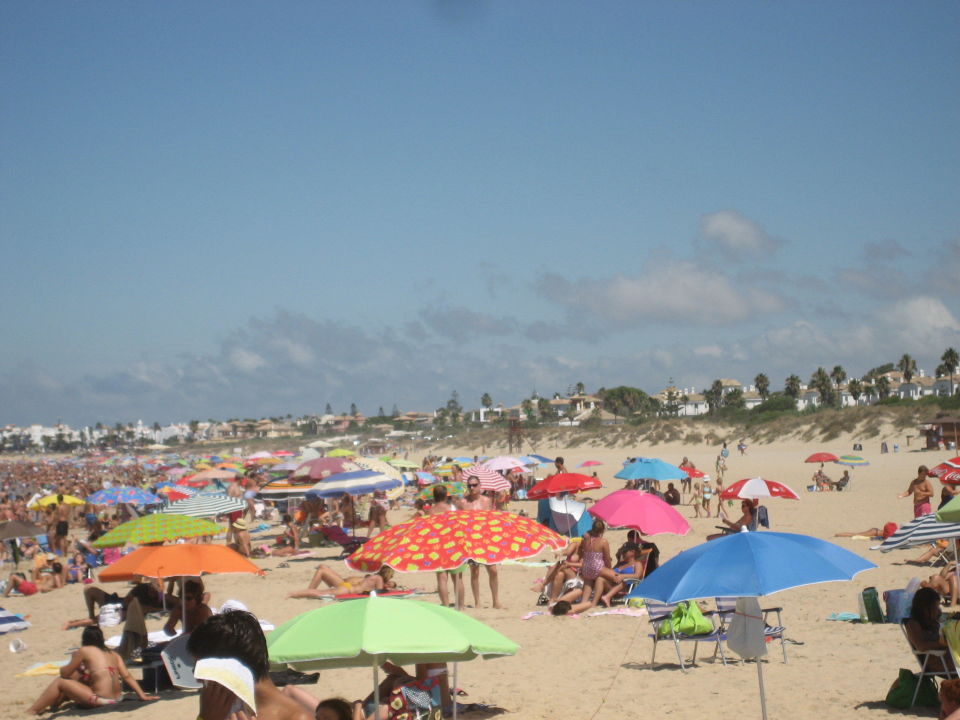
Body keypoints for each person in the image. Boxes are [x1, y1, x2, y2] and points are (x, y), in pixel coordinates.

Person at [188, 611, 313, 720]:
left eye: (203, 671)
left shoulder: (295, 717)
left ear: (228, 669)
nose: (198, 678)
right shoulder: (218, 709)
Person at [28, 626, 158, 713]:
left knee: (61, 681)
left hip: (100, 700)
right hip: (117, 698)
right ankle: (54, 706)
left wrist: (63, 669)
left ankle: (32, 711)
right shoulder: (114, 654)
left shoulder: (84, 651)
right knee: (77, 678)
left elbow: (66, 673)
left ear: (84, 640)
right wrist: (142, 696)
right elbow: (127, 677)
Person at [457, 477, 502, 609]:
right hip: (470, 540)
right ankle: (477, 602)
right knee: (474, 571)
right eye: (469, 486)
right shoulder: (463, 502)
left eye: (474, 485)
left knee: (493, 570)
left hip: (485, 539)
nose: (472, 488)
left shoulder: (486, 501)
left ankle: (496, 601)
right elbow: (458, 521)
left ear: (480, 485)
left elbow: (491, 518)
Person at [905, 587, 957, 673]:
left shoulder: (932, 621)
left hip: (946, 657)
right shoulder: (913, 624)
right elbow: (921, 646)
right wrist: (943, 644)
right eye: (935, 607)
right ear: (925, 608)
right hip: (937, 661)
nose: (938, 610)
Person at [430, 485, 465, 610]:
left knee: (442, 578)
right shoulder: (451, 508)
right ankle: (460, 606)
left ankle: (445, 605)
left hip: (438, 545)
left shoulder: (431, 511)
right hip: (453, 543)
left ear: (434, 497)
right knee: (457, 578)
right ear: (446, 496)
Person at [288, 565, 395, 599]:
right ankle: (294, 594)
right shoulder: (379, 579)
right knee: (321, 593)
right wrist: (391, 590)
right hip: (347, 589)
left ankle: (298, 593)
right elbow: (380, 594)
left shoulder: (374, 576)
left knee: (322, 592)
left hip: (347, 586)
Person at [577, 519, 611, 607]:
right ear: (603, 530)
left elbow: (581, 551)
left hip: (586, 567)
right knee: (615, 577)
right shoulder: (603, 541)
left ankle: (583, 602)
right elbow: (607, 559)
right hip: (598, 567)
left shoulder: (586, 539)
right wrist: (610, 569)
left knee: (588, 582)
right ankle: (594, 602)